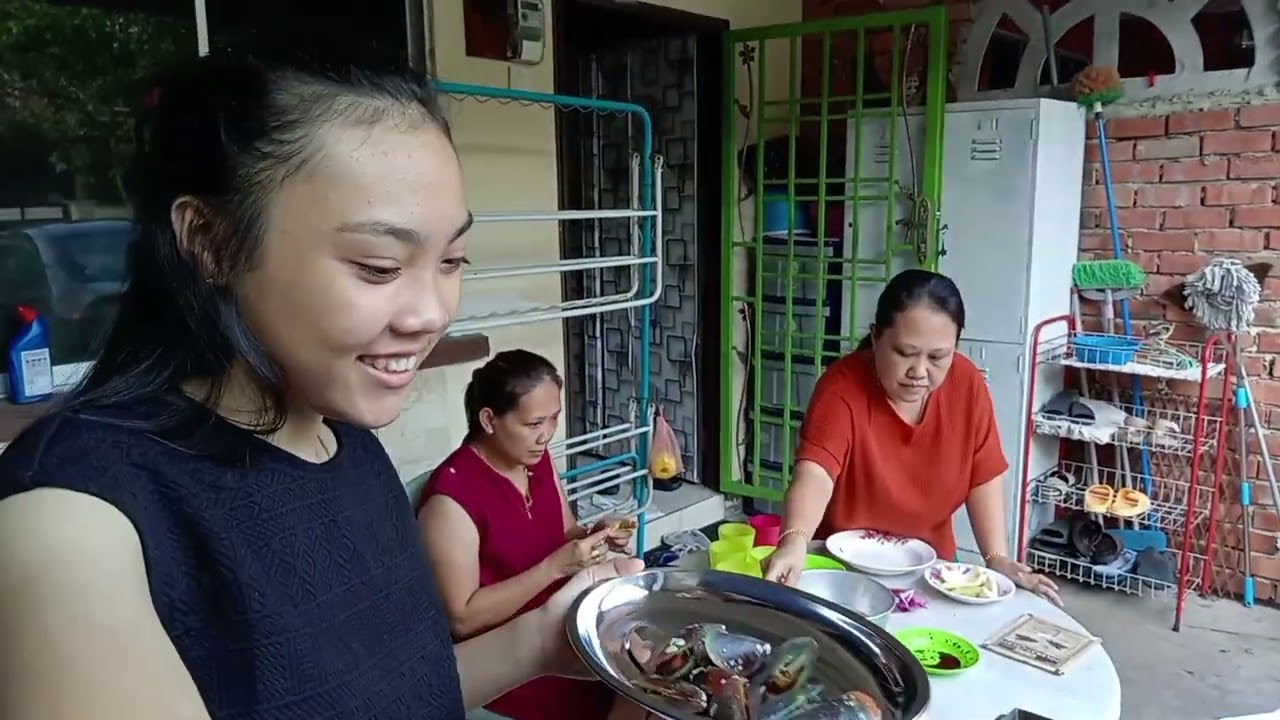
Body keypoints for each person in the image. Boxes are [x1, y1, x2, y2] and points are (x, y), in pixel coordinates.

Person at [0, 47, 641, 720]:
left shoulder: (347, 446)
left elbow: (402, 694)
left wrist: (543, 640)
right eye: (379, 265)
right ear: (211, 241)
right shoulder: (70, 528)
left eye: (452, 259)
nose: (432, 313)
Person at [762, 269, 1061, 606]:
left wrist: (997, 559)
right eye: (905, 353)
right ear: (876, 337)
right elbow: (816, 472)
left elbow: (983, 473)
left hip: (931, 573)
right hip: (844, 571)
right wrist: (794, 540)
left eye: (937, 357)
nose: (919, 372)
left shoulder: (967, 384)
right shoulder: (842, 387)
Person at [418, 350, 645, 720]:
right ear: (489, 420)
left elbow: (565, 531)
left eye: (554, 418)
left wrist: (597, 533)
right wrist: (554, 568)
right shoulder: (452, 499)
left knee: (652, 671)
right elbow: (462, 618)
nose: (546, 435)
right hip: (508, 658)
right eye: (535, 423)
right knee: (633, 687)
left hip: (563, 620)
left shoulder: (535, 461)